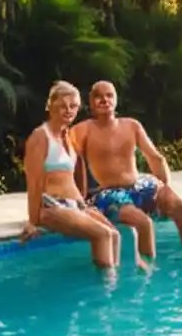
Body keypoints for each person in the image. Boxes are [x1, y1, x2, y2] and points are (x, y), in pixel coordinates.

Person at [71, 80, 182, 260]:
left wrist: (164, 189)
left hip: (139, 184)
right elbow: (69, 164)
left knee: (178, 205)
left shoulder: (131, 125)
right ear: (90, 102)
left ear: (116, 99)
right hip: (109, 192)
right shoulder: (82, 130)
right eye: (98, 96)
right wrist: (76, 199)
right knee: (144, 223)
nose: (104, 100)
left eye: (109, 95)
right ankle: (147, 269)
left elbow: (155, 157)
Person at [20, 81, 121, 269]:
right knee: (103, 235)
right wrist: (33, 221)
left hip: (74, 205)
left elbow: (72, 175)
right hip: (51, 205)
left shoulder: (68, 136)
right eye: (63, 106)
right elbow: (34, 183)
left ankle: (110, 278)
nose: (69, 110)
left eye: (73, 106)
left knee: (114, 235)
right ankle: (106, 285)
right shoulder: (40, 137)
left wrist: (82, 202)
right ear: (50, 106)